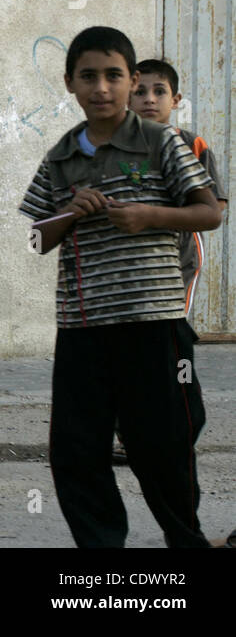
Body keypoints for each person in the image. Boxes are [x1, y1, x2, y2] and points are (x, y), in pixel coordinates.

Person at [20, 26, 222, 548]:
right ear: (70, 83)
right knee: (76, 451)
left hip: (153, 325)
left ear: (132, 81)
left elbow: (208, 212)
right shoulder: (61, 156)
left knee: (164, 447)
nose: (102, 88)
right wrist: (67, 212)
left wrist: (148, 215)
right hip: (84, 329)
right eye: (89, 76)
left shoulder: (161, 143)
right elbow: (34, 242)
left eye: (114, 76)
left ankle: (186, 542)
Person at [119, 58, 229, 466]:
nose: (149, 99)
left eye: (159, 91)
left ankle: (180, 426)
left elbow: (214, 208)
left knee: (166, 344)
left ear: (176, 99)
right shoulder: (115, 146)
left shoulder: (193, 145)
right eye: (140, 91)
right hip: (126, 263)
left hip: (175, 260)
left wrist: (159, 212)